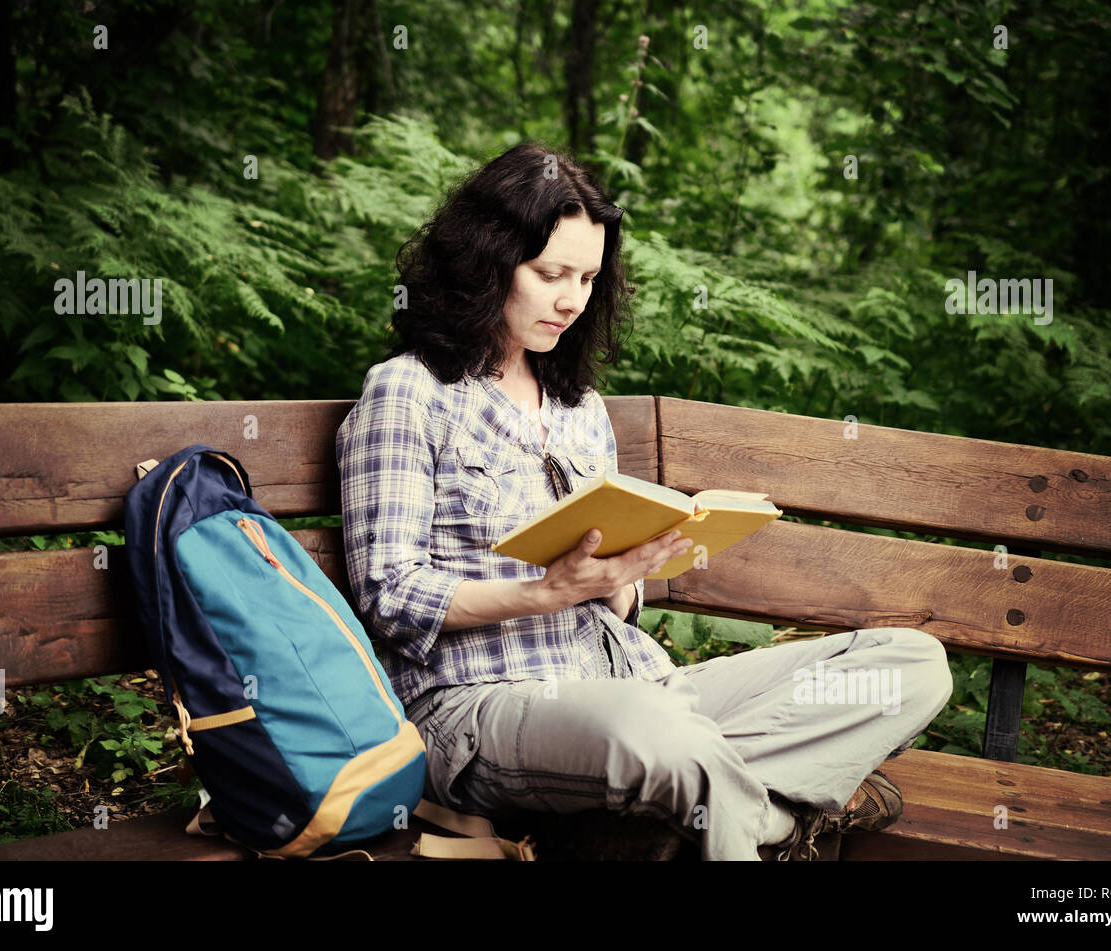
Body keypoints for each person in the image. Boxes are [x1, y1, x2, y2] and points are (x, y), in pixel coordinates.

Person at [334, 142, 954, 861]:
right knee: (658, 734)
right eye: (550, 273)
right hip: (480, 704)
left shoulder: (578, 407)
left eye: (589, 277)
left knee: (908, 663)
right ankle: (775, 818)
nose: (572, 298)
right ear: (485, 263)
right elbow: (389, 593)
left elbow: (613, 603)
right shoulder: (408, 393)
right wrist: (546, 591)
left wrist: (625, 579)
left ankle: (701, 805)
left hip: (636, 682)